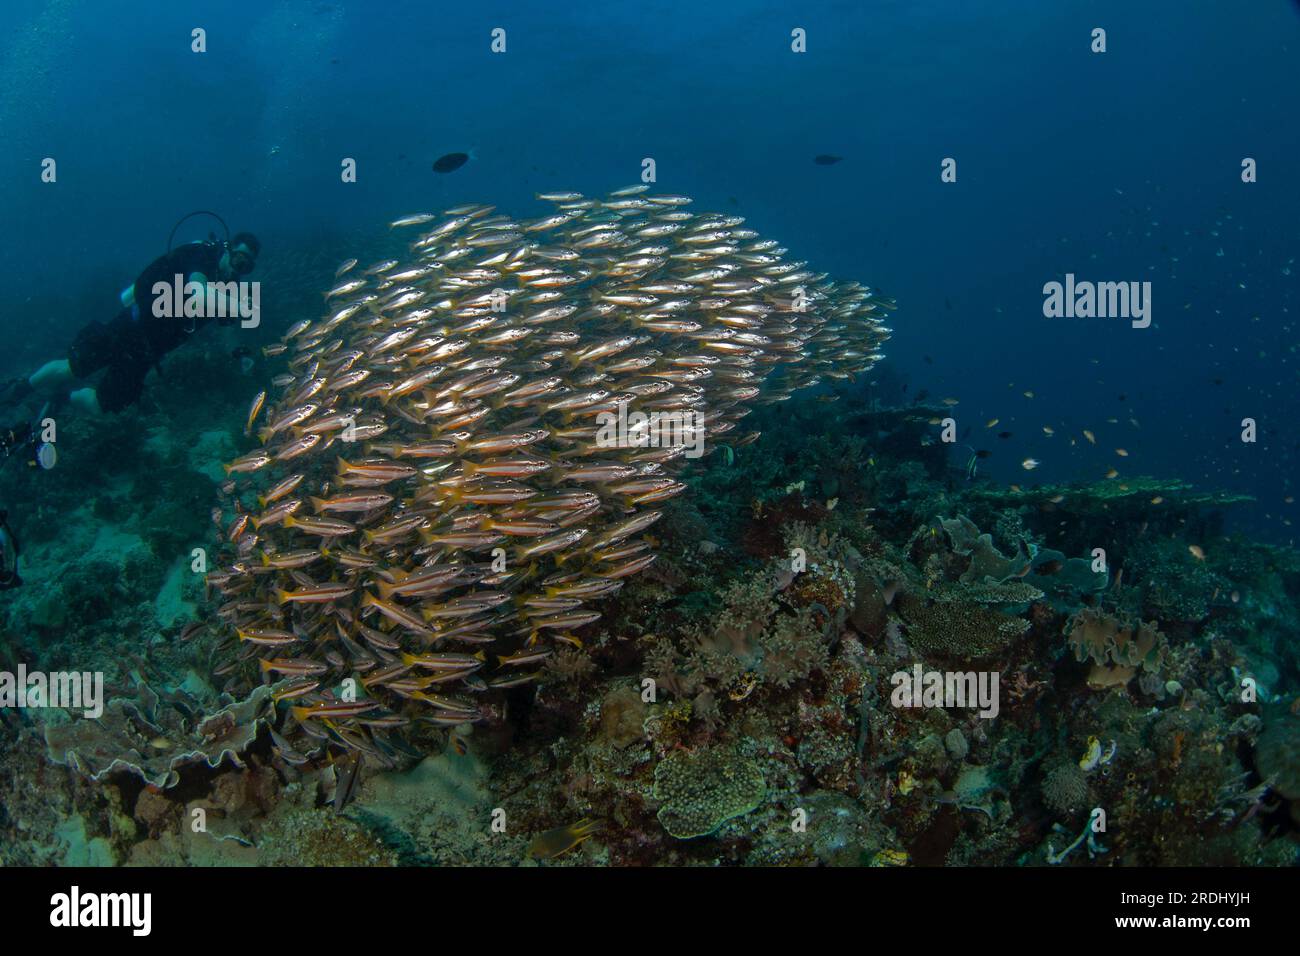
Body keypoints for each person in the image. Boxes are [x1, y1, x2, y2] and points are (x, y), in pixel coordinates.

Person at [2, 231, 260, 415]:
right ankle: (21, 389)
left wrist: (238, 354)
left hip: (151, 351)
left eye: (246, 267)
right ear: (228, 249)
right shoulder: (202, 255)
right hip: (131, 328)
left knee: (103, 406)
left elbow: (227, 328)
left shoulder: (230, 289)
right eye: (238, 259)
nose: (238, 269)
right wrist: (242, 306)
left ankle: (61, 398)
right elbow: (198, 291)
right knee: (72, 368)